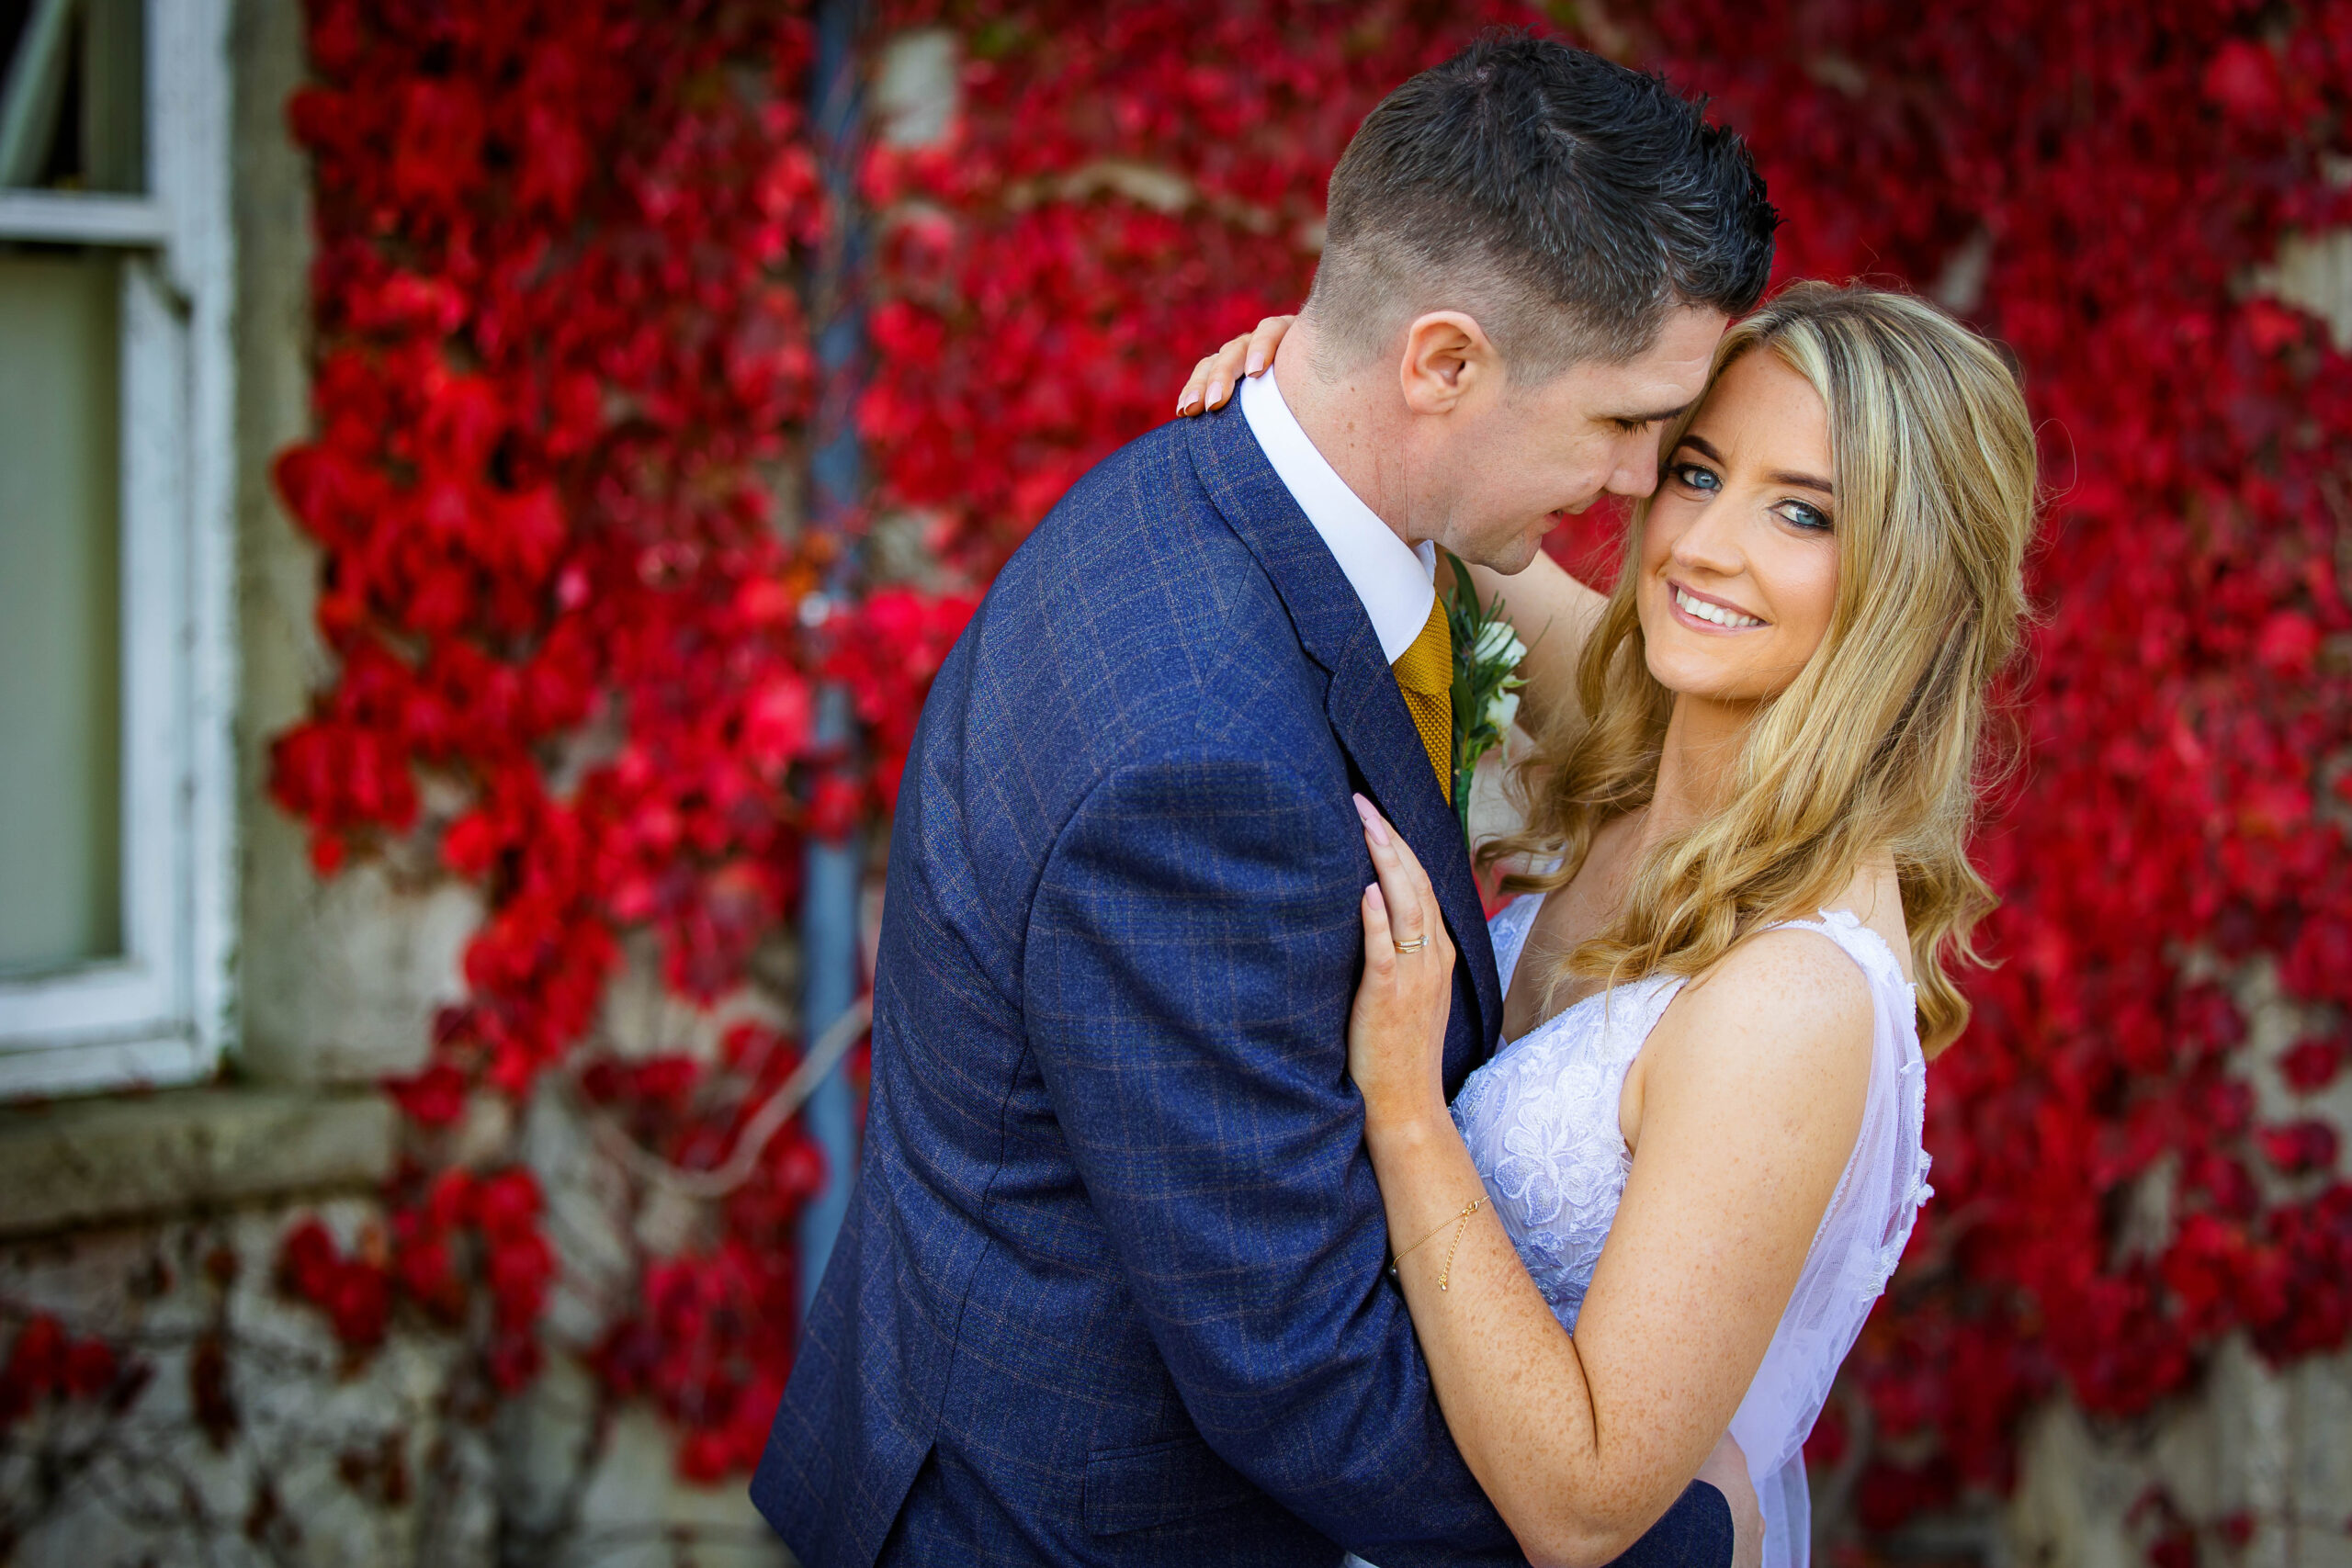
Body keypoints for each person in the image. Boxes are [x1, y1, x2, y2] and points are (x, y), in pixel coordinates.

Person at [752, 33, 1780, 1568]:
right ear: (1439, 364)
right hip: (1064, 1524)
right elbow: (1295, 1364)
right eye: (1626, 423)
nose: (1641, 487)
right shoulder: (1197, 763)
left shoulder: (1269, 504)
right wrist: (1692, 1546)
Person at [1175, 280, 2037, 1568]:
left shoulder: (1790, 996)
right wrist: (1318, 392)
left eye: (1802, 511)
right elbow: (1418, 500)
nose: (1703, 545)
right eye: (1697, 473)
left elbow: (1586, 1505)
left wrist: (1406, 1111)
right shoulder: (1644, 733)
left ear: (1914, 585)